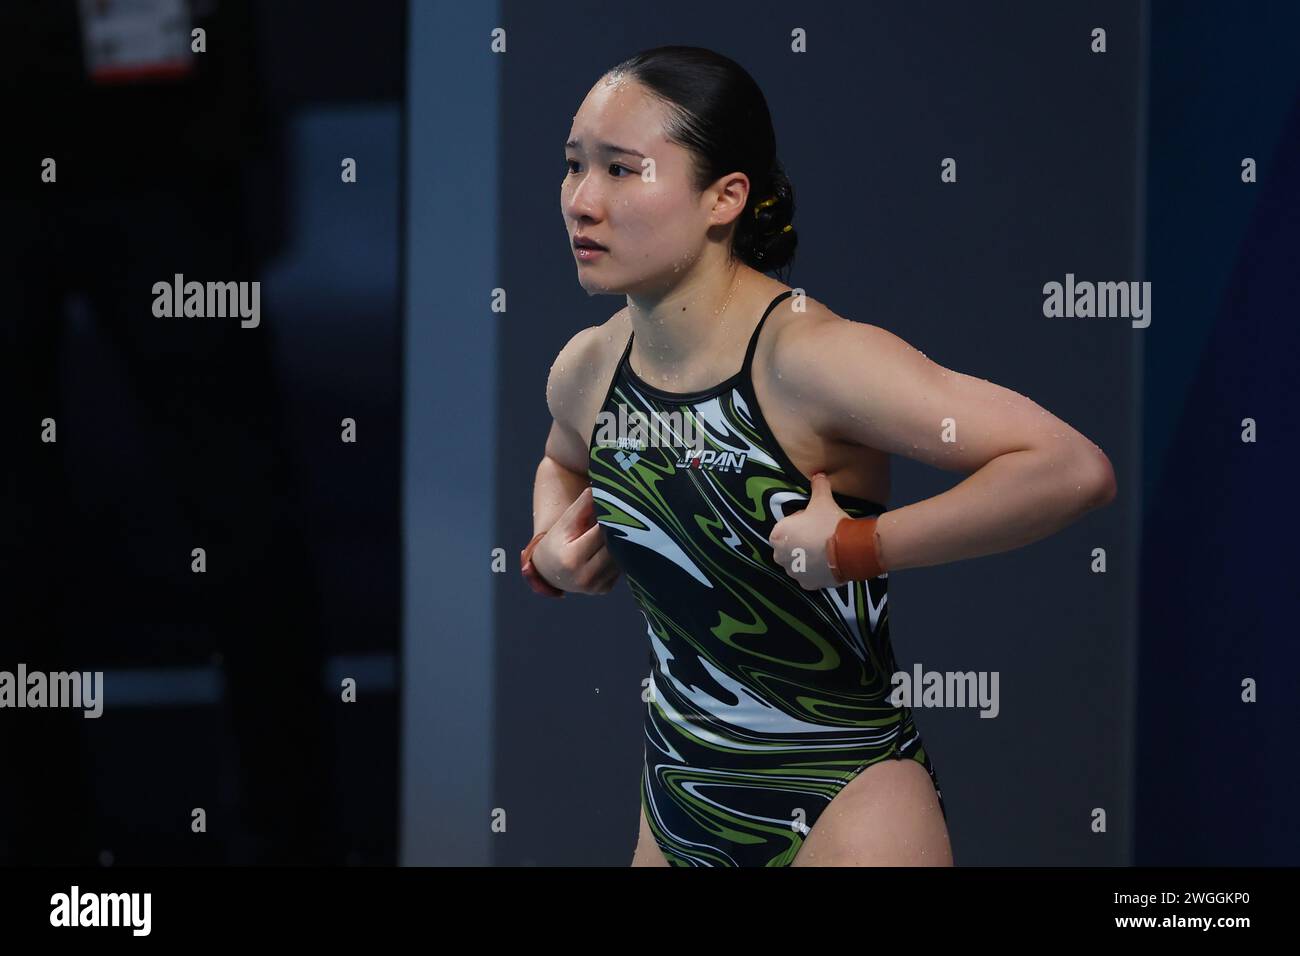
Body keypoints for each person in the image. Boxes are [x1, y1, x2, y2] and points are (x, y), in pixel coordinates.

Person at [522, 46, 1116, 867]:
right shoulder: (590, 368)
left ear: (724, 197)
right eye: (574, 165)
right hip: (679, 802)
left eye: (623, 171)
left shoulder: (808, 360)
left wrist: (859, 548)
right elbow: (562, 459)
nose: (582, 202)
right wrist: (548, 549)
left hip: (849, 802)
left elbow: (1068, 466)